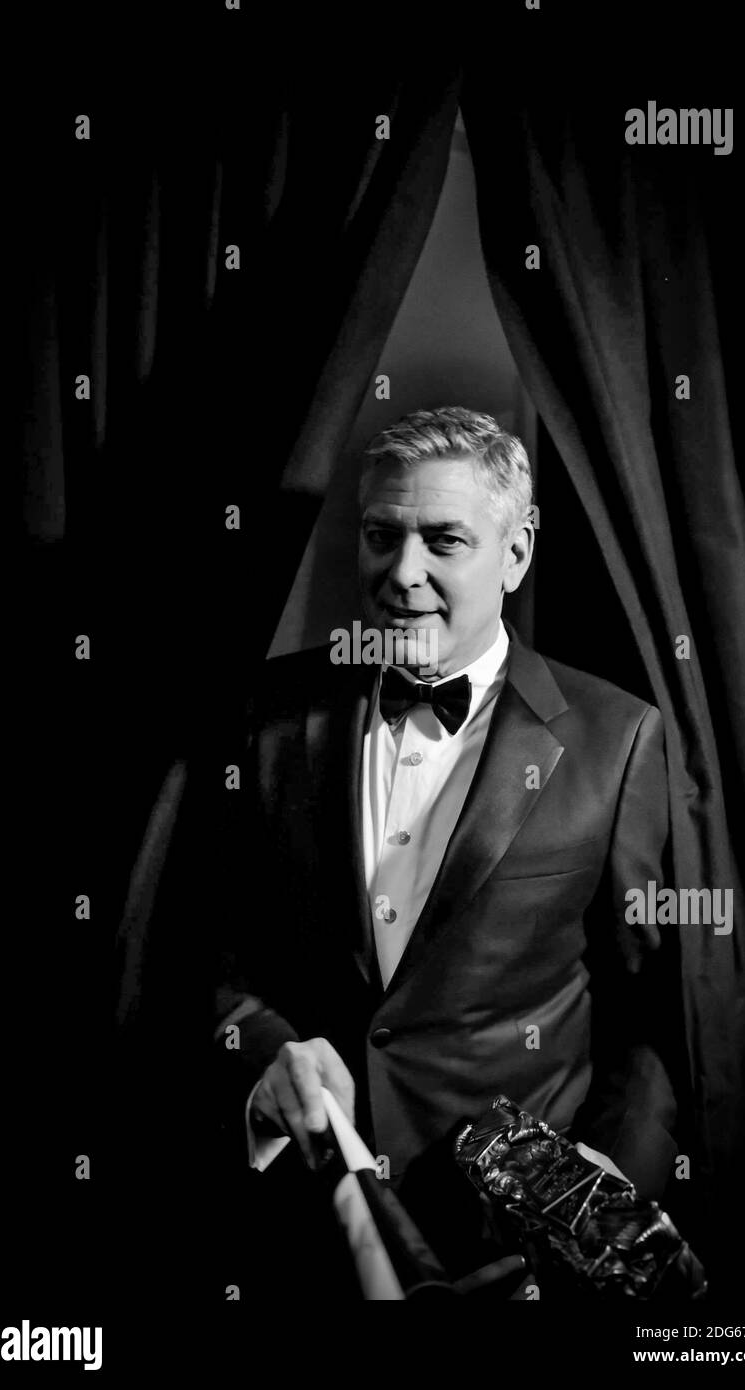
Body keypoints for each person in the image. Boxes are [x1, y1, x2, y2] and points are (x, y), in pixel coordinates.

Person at [212, 406, 681, 1285]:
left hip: (515, 1254)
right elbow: (214, 955)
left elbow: (651, 1013)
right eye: (381, 535)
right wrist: (263, 1056)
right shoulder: (267, 717)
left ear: (516, 551)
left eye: (444, 541)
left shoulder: (617, 739)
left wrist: (605, 1204)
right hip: (305, 1234)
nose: (402, 573)